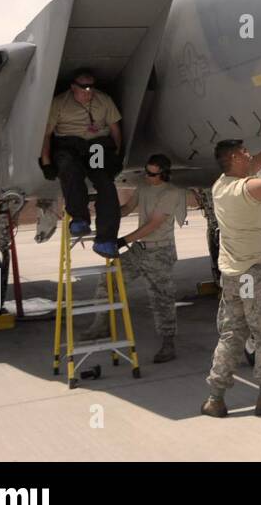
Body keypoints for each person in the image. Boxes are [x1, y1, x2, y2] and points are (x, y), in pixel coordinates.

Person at [201, 128, 261, 417]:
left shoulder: (220, 186)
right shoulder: (248, 189)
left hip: (233, 275)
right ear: (234, 158)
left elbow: (255, 163)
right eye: (244, 152)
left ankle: (215, 398)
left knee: (231, 334)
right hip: (257, 273)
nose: (250, 155)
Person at [80, 154, 187, 363]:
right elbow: (127, 209)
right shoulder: (144, 188)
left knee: (161, 298)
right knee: (108, 280)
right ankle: (102, 325)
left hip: (160, 252)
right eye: (146, 172)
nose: (146, 176)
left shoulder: (172, 193)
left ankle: (168, 343)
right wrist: (107, 213)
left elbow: (153, 224)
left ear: (163, 174)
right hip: (140, 249)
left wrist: (122, 241)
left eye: (152, 173)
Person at [39, 68, 123, 259]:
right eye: (83, 87)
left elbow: (115, 129)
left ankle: (106, 239)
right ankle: (79, 219)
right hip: (69, 144)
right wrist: (46, 161)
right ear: (73, 87)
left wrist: (116, 155)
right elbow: (47, 133)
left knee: (105, 182)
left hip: (95, 147)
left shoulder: (103, 100)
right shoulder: (60, 103)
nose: (88, 91)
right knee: (69, 168)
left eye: (91, 87)